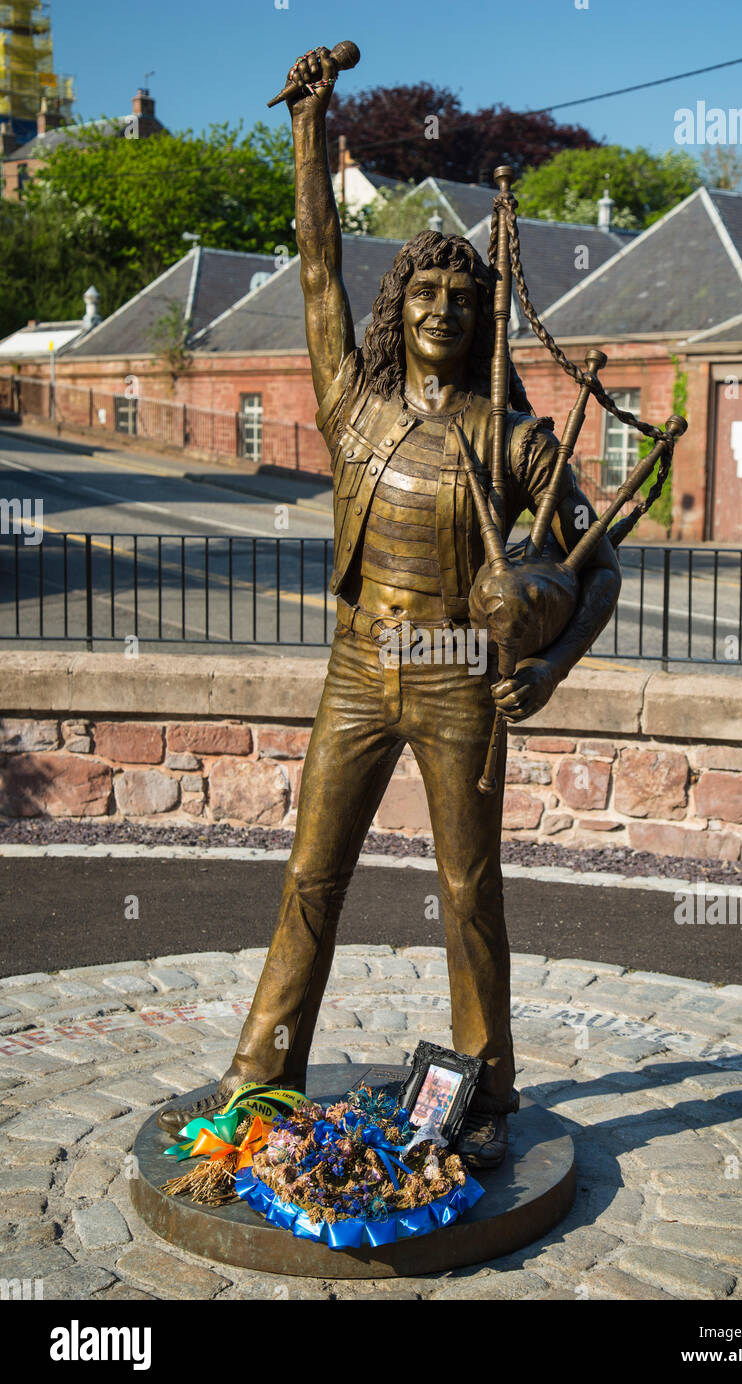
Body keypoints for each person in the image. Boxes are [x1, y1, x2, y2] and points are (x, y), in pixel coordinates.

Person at [159, 46, 621, 1168]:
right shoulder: (351, 407)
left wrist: (548, 662)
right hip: (360, 669)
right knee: (311, 875)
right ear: (397, 306)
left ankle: (491, 1090)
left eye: (465, 298)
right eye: (425, 293)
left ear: (482, 318)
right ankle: (260, 1079)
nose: (445, 310)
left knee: (467, 889)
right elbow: (316, 261)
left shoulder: (511, 439)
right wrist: (312, 130)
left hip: (461, 673)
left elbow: (595, 563)